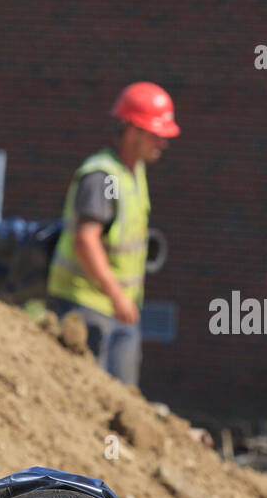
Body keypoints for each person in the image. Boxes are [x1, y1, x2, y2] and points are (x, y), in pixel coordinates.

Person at [47, 82, 179, 385]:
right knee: (92, 396)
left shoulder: (134, 173)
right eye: (157, 134)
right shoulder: (101, 176)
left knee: (123, 400)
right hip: (87, 306)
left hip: (120, 309)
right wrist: (117, 294)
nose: (163, 143)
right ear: (133, 130)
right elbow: (85, 239)